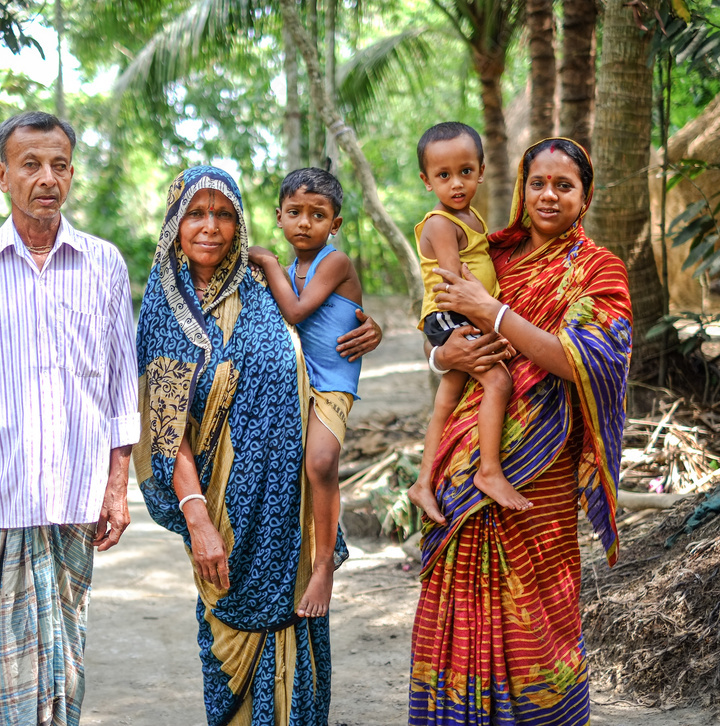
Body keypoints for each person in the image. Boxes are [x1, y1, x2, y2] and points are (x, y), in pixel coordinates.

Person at [134, 166, 381, 725]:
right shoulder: (162, 309)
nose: (210, 227)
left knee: (298, 626)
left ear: (240, 220)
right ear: (175, 222)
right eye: (195, 213)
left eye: (223, 213)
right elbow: (167, 429)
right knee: (226, 625)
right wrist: (197, 520)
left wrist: (371, 328)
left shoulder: (264, 285)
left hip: (287, 506)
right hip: (218, 508)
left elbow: (327, 322)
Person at [0, 111, 140, 726]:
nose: (47, 178)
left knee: (58, 663)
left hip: (72, 500)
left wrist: (117, 485)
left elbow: (123, 385)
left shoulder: (103, 264)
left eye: (60, 165)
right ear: (3, 176)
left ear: (71, 174)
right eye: (31, 165)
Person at [408, 138, 632, 725]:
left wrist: (493, 312)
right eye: (538, 183)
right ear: (521, 188)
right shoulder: (492, 251)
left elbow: (588, 360)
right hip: (463, 457)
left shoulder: (598, 270)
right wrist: (442, 355)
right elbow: (442, 324)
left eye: (564, 185)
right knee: (459, 600)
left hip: (543, 468)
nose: (549, 195)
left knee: (538, 606)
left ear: (585, 197)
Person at [248, 167, 363, 618]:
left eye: (318, 215)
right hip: (297, 379)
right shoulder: (290, 267)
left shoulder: (333, 262)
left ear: (334, 224)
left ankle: (324, 567)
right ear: (278, 217)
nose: (304, 222)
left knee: (321, 462)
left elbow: (294, 312)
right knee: (294, 469)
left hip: (332, 380)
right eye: (294, 212)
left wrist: (270, 263)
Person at [406, 122, 529, 520]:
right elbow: (456, 283)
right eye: (443, 176)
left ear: (480, 169)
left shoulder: (471, 217)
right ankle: (488, 471)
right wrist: (497, 327)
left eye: (465, 172)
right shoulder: (442, 223)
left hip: (458, 312)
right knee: (498, 380)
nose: (456, 183)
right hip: (451, 313)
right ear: (427, 181)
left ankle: (423, 483)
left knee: (446, 398)